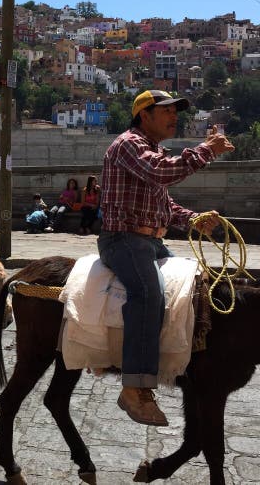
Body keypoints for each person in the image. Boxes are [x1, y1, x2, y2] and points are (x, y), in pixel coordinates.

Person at [98, 89, 234, 427]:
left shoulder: (152, 149)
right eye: (167, 111)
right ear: (144, 115)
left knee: (190, 289)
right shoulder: (129, 144)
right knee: (149, 294)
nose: (175, 117)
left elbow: (162, 203)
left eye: (176, 111)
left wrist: (191, 219)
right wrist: (206, 151)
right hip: (123, 240)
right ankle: (134, 386)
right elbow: (162, 173)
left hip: (149, 242)